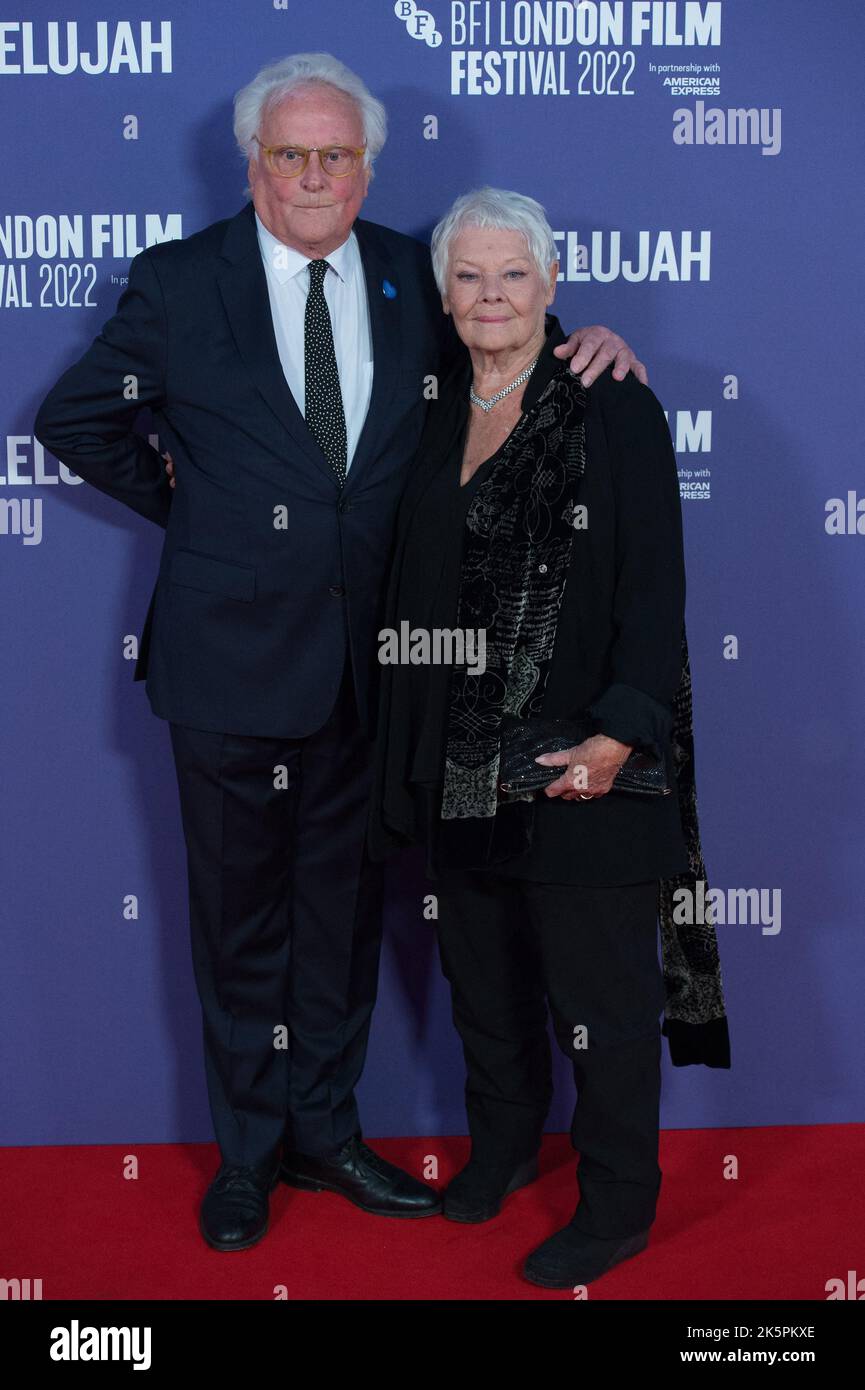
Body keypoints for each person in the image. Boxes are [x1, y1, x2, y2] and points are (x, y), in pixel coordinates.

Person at [33, 52, 644, 1254]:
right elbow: (76, 417)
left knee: (343, 918)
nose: (313, 175)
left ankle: (326, 1130)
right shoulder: (176, 282)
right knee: (238, 927)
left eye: (336, 155)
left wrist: (592, 342)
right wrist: (198, 512)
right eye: (289, 154)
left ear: (365, 168)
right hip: (226, 670)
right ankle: (249, 1156)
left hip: (377, 672)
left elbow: (506, 332)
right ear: (251, 164)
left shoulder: (411, 276)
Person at [369, 186, 730, 1290]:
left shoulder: (606, 398)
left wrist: (622, 733)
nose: (490, 295)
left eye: (512, 274)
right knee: (484, 982)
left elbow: (652, 581)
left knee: (601, 1001)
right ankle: (505, 1148)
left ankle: (618, 1201)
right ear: (444, 292)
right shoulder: (425, 400)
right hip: (457, 759)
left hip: (581, 758)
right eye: (470, 276)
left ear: (551, 286)